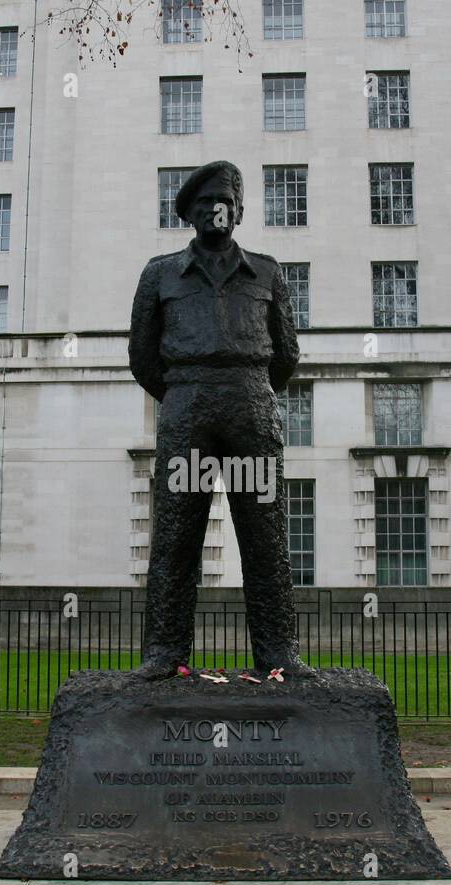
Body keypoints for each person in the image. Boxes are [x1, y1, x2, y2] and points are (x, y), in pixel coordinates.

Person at [127, 160, 313, 680]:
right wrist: (185, 391)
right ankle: (165, 651)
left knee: (266, 535)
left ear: (239, 211)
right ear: (190, 213)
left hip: (251, 406)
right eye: (208, 203)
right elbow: (143, 357)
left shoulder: (268, 271)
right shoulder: (160, 273)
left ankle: (277, 651)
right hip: (187, 408)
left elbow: (286, 354)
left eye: (227, 203)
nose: (218, 210)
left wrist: (247, 388)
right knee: (176, 534)